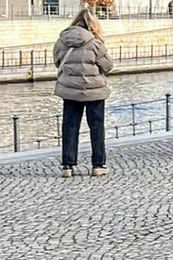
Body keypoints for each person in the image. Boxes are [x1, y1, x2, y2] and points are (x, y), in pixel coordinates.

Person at [53, 8, 112, 178]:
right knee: (96, 127)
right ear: (93, 25)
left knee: (70, 126)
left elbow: (57, 62)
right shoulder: (95, 44)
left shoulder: (61, 42)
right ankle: (98, 165)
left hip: (70, 90)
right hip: (94, 91)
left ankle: (67, 166)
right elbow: (108, 66)